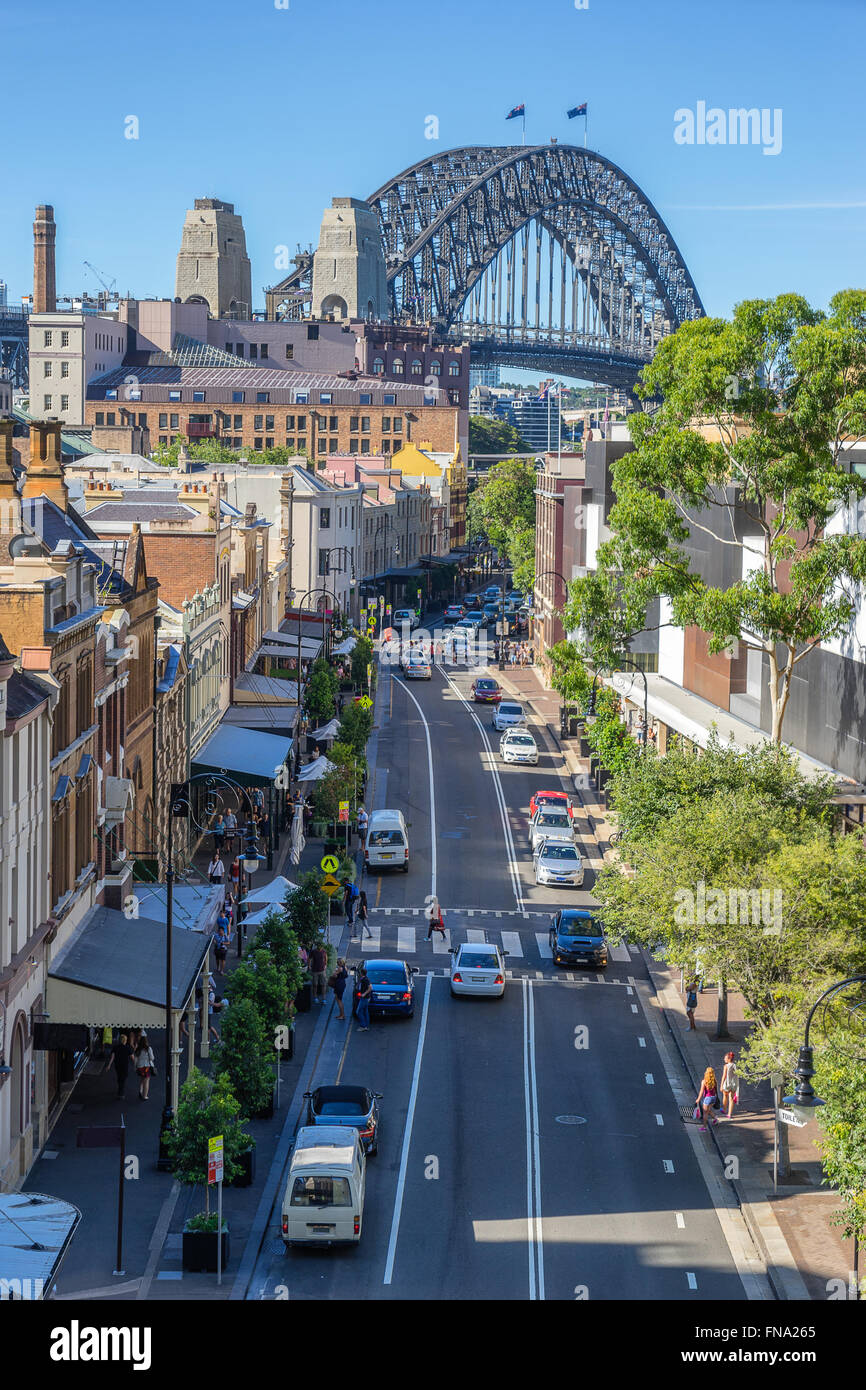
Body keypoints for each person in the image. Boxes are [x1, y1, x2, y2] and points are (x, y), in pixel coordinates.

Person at [106, 1032, 132, 1099]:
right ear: (125, 1041)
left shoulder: (115, 1047)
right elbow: (132, 1057)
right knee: (123, 1078)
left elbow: (112, 1057)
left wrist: (109, 1065)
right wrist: (136, 1065)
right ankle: (121, 1094)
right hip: (124, 1066)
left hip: (117, 1065)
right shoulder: (127, 1048)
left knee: (119, 1076)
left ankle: (120, 1089)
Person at [134, 1033, 156, 1101]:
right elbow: (152, 1058)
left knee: (142, 1079)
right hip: (147, 1066)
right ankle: (145, 1096)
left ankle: (140, 1091)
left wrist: (135, 1067)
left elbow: (135, 1059)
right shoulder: (148, 1048)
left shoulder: (138, 1049)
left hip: (140, 1066)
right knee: (146, 1081)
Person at [720, 1052, 740, 1119]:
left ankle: (724, 1109)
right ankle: (729, 1114)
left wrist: (721, 1085)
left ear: (729, 1059)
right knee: (731, 1099)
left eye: (725, 1058)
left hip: (727, 1084)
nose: (724, 1059)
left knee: (725, 1096)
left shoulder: (726, 1066)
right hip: (733, 1084)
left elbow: (724, 1076)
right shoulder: (735, 1065)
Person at [355, 966, 373, 1031]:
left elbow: (370, 988)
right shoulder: (365, 979)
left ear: (361, 973)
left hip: (365, 998)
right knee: (365, 1011)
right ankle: (366, 1026)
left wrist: (364, 994)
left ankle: (363, 1026)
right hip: (366, 998)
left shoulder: (365, 980)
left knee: (358, 1011)